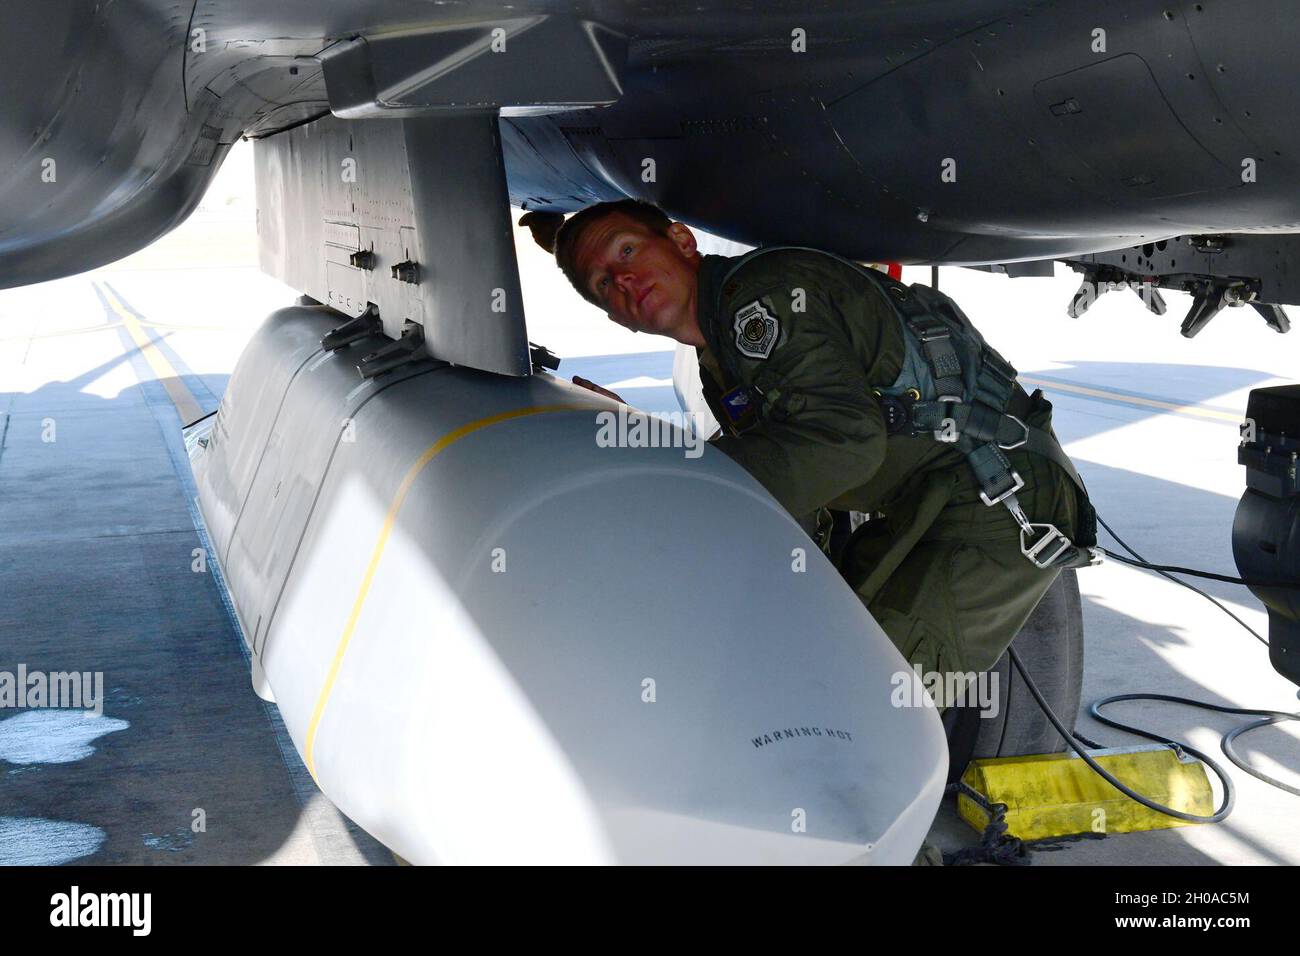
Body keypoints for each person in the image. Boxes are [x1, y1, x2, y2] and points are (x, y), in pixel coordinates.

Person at [520, 200, 1092, 700]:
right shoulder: (724, 337)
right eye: (602, 284)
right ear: (614, 318)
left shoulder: (761, 303)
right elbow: (783, 464)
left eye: (626, 252)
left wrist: (670, 474)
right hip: (936, 498)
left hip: (998, 502)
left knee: (870, 698)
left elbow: (841, 445)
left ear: (681, 240)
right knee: (819, 652)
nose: (622, 280)